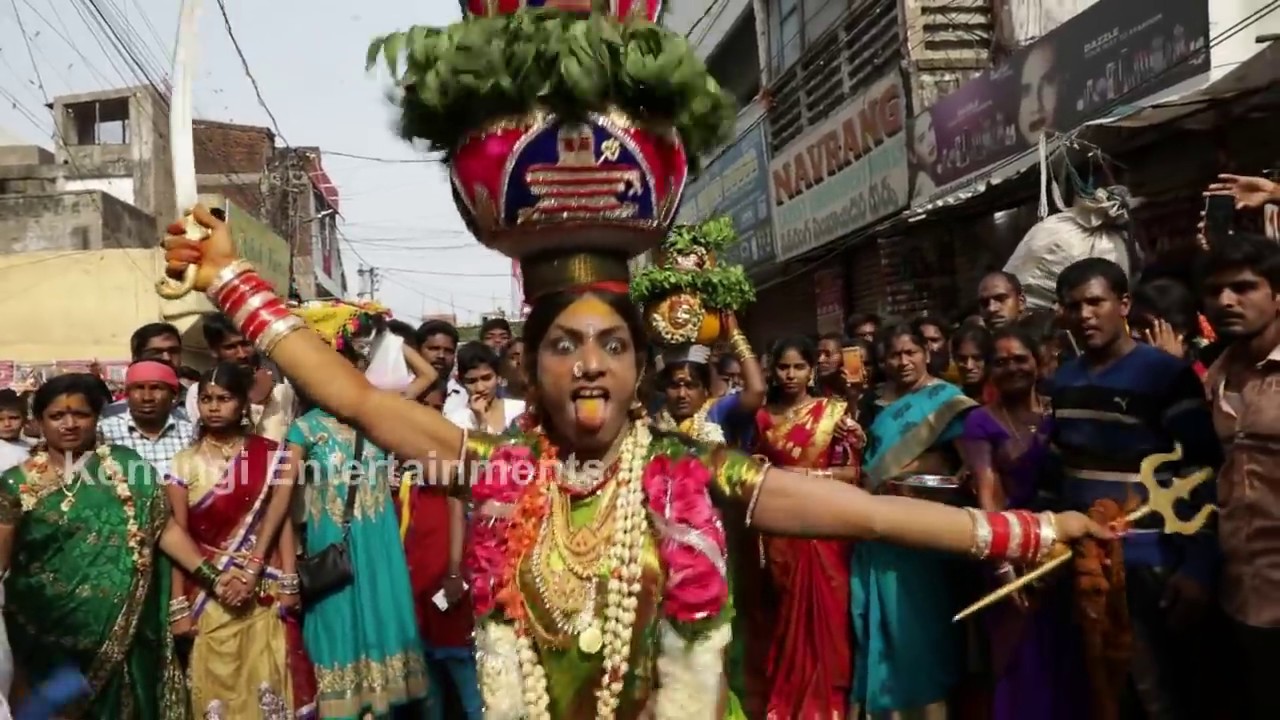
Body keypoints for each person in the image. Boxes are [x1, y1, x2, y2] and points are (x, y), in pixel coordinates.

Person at [160, 8, 1108, 706]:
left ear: (642, 371)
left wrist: (1032, 533)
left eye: (613, 345)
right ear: (531, 370)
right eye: (565, 345)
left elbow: (864, 513)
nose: (589, 365)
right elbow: (360, 404)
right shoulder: (486, 469)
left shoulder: (696, 472)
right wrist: (232, 276)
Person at [0, 373, 237, 718]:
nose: (69, 424)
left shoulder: (127, 466)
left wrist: (213, 576)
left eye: (80, 414)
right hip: (45, 627)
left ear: (97, 418)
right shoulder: (15, 482)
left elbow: (164, 529)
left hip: (125, 624)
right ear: (38, 422)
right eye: (56, 416)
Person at [1050, 257, 1221, 719]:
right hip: (1087, 564)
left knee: (1161, 694)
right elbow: (1063, 472)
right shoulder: (1063, 381)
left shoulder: (1164, 374)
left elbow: (1203, 470)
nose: (1084, 315)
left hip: (1154, 565)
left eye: (1095, 302)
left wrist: (1199, 565)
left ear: (1123, 304)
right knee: (1106, 692)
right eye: (1073, 306)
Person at [285, 305, 428, 719]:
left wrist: (383, 333)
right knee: (336, 630)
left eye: (355, 362)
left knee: (384, 633)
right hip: (333, 545)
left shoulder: (379, 414)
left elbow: (427, 377)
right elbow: (282, 498)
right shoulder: (305, 428)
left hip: (379, 544)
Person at [166, 363, 316, 718]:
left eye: (224, 398)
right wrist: (178, 606)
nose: (214, 407)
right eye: (206, 399)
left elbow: (281, 523)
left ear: (243, 404)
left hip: (262, 585)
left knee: (266, 678)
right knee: (217, 682)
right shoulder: (184, 462)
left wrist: (290, 579)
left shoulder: (271, 453)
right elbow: (177, 534)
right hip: (207, 589)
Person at [851, 324, 979, 718]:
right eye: (894, 355)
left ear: (927, 352)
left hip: (922, 529)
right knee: (873, 616)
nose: (903, 362)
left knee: (918, 625)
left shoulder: (947, 400)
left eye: (911, 352)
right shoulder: (873, 402)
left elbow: (965, 465)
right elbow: (865, 459)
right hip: (876, 524)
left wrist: (910, 471)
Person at [956, 328, 1083, 720]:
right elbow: (987, 493)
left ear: (1037, 360)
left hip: (1064, 553)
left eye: (1019, 359)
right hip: (1013, 555)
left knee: (1069, 656)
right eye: (1001, 361)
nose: (1011, 368)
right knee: (1020, 661)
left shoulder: (1058, 410)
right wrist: (1006, 568)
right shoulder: (980, 421)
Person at [751, 336, 861, 718]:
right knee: (783, 617)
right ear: (774, 371)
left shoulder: (833, 413)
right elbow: (753, 469)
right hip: (782, 532)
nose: (791, 375)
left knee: (829, 617)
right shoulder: (763, 418)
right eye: (784, 367)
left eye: (799, 367)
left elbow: (852, 472)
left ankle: (828, 706)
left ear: (812, 370)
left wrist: (803, 476)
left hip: (824, 527)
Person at [1197, 234, 1280, 718]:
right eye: (1216, 290)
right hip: (1243, 594)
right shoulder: (1218, 376)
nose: (1226, 301)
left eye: (1244, 287)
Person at [653, 324, 764, 449]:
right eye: (674, 386)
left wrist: (734, 334)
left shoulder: (717, 411)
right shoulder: (655, 423)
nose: (682, 394)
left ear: (706, 389)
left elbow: (757, 390)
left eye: (691, 386)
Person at [446, 342, 526, 433]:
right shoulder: (456, 421)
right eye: (471, 381)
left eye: (486, 378)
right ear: (461, 382)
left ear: (498, 376)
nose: (480, 388)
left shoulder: (520, 410)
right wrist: (481, 420)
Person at [950, 325, 991, 401]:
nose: (969, 366)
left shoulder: (1002, 398)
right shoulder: (949, 398)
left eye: (977, 358)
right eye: (962, 359)